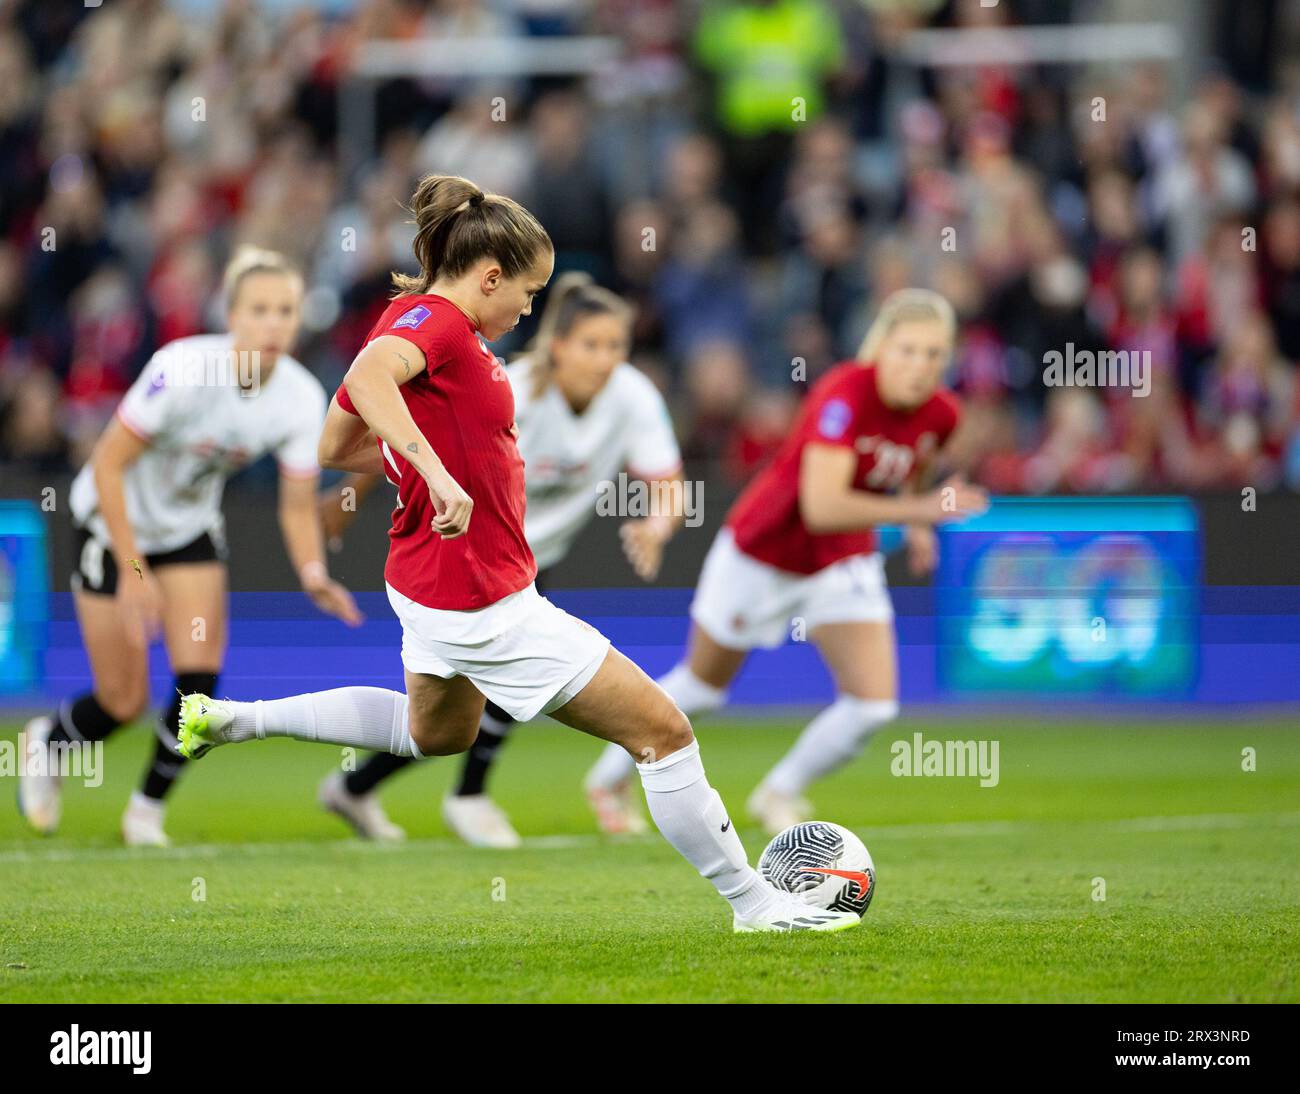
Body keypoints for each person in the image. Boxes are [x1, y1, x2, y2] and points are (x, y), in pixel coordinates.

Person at [174, 174, 856, 933]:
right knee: (663, 734)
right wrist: (432, 472)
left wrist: (418, 460)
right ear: (490, 277)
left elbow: (336, 443)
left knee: (438, 733)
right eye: (527, 294)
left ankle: (237, 721)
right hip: (482, 598)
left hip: (427, 582)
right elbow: (367, 381)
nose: (527, 310)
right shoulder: (438, 323)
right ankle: (756, 906)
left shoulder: (415, 318)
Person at [584, 289, 988, 835]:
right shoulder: (844, 394)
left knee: (873, 705)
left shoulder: (943, 412)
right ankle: (609, 775)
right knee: (704, 687)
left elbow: (913, 468)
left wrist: (916, 524)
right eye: (908, 350)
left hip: (840, 560)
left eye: (935, 354)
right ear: (881, 347)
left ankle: (778, 791)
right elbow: (822, 507)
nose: (920, 366)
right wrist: (921, 509)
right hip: (763, 553)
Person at [316, 271, 686, 847]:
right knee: (468, 704)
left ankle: (372, 788)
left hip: (530, 562)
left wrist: (657, 528)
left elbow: (667, 484)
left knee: (464, 710)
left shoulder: (634, 397)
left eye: (617, 345)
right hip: (467, 553)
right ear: (558, 346)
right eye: (592, 344)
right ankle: (457, 797)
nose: (607, 359)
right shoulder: (506, 387)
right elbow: (403, 428)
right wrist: (346, 495)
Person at [18, 248, 361, 846]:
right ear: (231, 315)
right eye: (260, 309)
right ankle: (48, 743)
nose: (274, 324)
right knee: (121, 700)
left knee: (198, 684)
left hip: (187, 531)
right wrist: (132, 569)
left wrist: (311, 570)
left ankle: (145, 811)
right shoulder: (180, 369)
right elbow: (107, 466)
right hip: (109, 523)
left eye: (286, 311)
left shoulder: (302, 397)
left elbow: (294, 501)